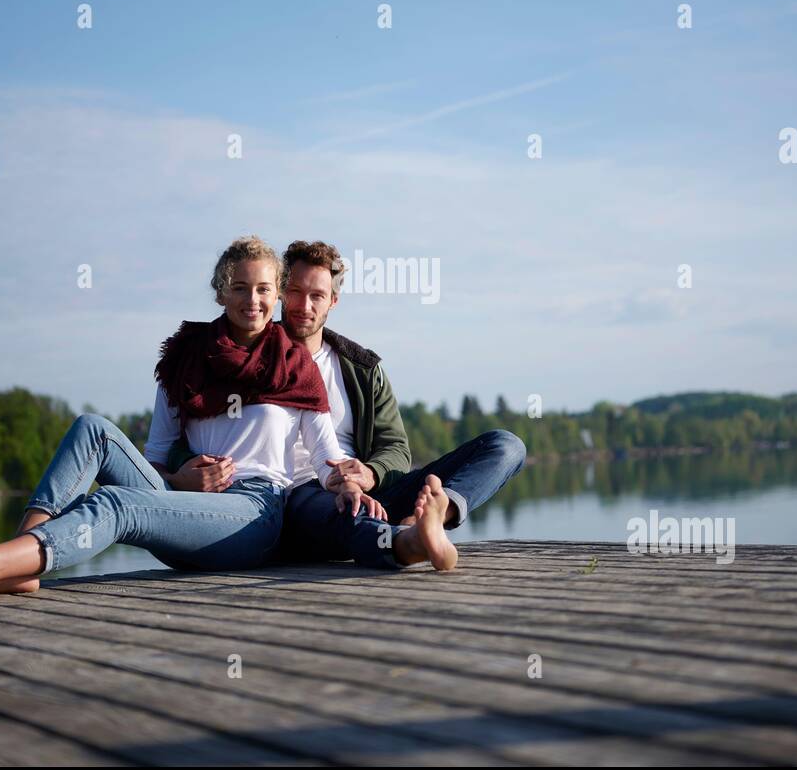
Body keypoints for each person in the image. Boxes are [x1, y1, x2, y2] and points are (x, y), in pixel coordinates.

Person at [0, 236, 463, 601]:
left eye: (265, 290)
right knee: (91, 428)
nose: (255, 301)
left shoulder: (296, 368)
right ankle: (21, 559)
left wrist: (346, 478)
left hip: (255, 512)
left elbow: (324, 453)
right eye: (241, 288)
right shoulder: (184, 360)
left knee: (113, 506)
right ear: (220, 292)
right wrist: (178, 480)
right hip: (187, 503)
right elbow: (157, 459)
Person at [161, 239, 527, 570]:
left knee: (506, 445)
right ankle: (406, 543)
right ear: (279, 295)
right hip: (294, 495)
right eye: (294, 292)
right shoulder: (247, 357)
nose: (304, 305)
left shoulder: (362, 368)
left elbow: (396, 448)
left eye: (317, 295)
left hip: (367, 487)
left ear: (333, 301)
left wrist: (369, 474)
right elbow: (194, 432)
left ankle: (435, 514)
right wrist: (182, 470)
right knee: (343, 509)